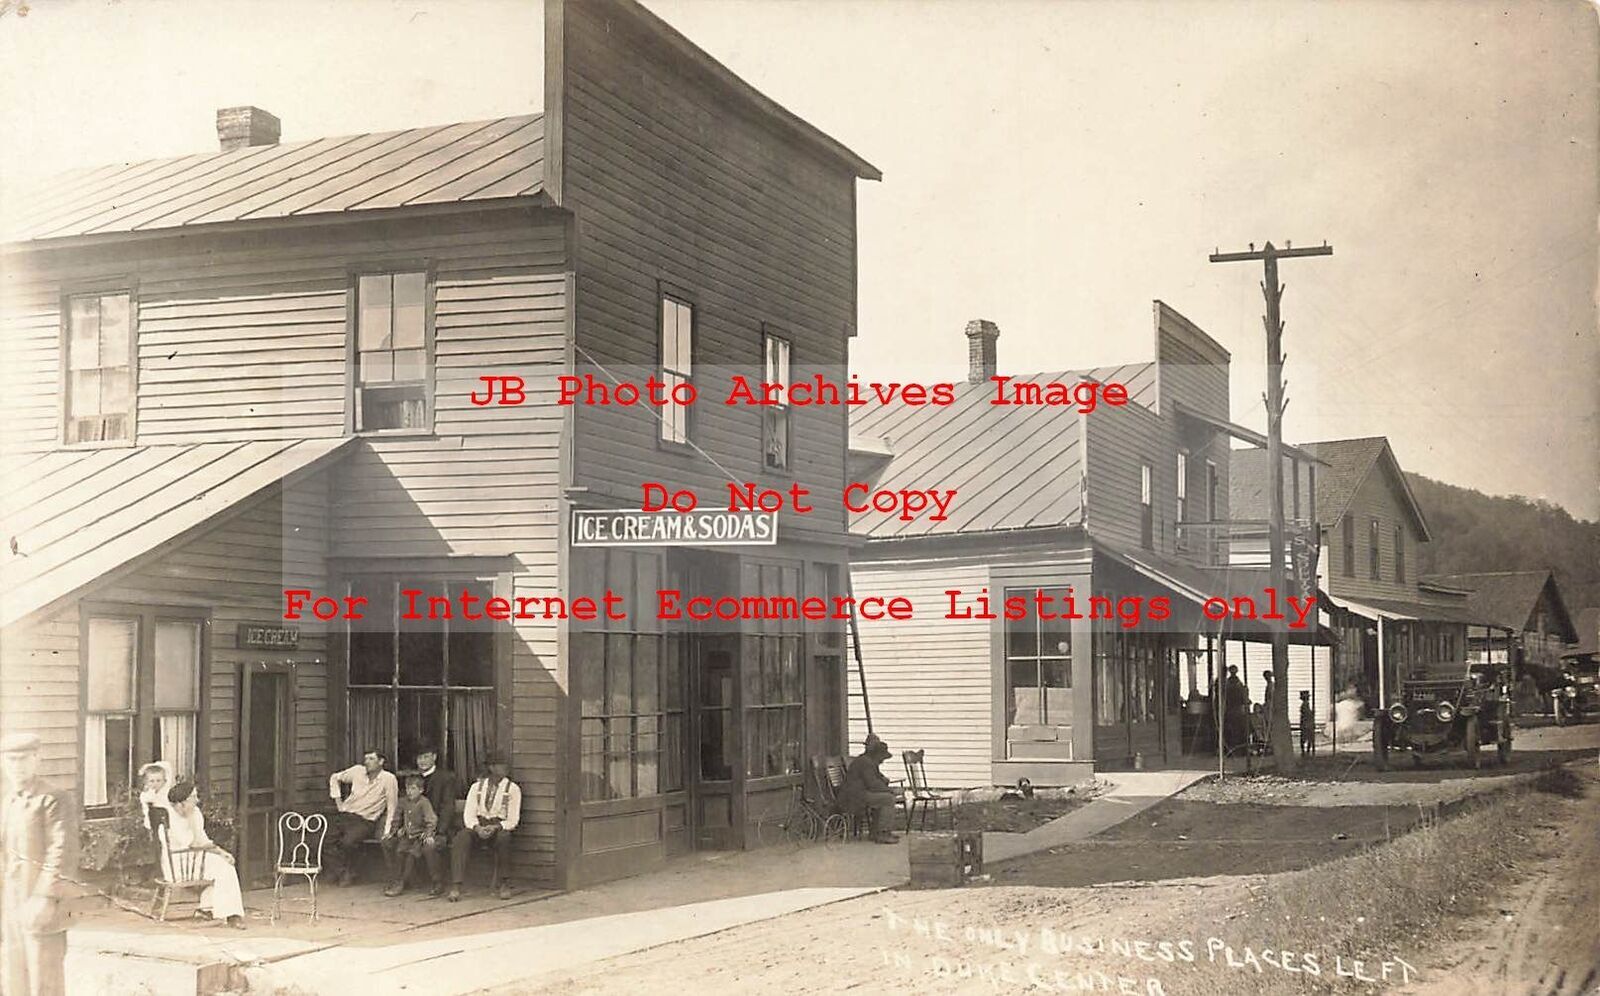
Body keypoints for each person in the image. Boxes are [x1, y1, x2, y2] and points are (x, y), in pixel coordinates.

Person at [2, 733, 74, 996]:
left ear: (37, 760)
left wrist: (45, 898)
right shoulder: (8, 801)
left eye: (23, 759)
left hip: (42, 903)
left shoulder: (53, 799)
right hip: (11, 903)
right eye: (11, 760)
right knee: (13, 978)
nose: (17, 766)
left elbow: (62, 852)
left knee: (44, 981)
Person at [161, 780, 246, 929]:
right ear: (181, 803)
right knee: (224, 867)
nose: (197, 800)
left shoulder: (195, 813)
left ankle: (209, 909)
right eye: (193, 797)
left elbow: (202, 839)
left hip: (194, 858)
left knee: (225, 866)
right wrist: (219, 851)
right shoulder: (170, 817)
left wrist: (222, 853)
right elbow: (192, 844)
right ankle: (226, 913)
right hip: (177, 862)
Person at [449, 753, 521, 902]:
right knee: (461, 838)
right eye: (500, 765)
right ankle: (456, 885)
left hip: (498, 827)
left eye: (505, 765)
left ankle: (504, 883)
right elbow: (469, 814)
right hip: (479, 827)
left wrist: (496, 827)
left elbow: (513, 819)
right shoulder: (477, 787)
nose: (504, 769)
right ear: (491, 768)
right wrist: (477, 828)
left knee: (504, 838)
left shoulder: (512, 789)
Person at [327, 749, 399, 886]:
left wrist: (387, 830)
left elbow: (392, 806)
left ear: (381, 761)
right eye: (366, 759)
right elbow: (334, 777)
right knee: (326, 840)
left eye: (371, 759)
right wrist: (339, 803)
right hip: (345, 815)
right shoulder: (357, 771)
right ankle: (342, 872)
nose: (367, 762)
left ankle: (349, 871)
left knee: (348, 842)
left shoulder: (389, 779)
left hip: (365, 821)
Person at [415, 747, 463, 898]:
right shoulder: (414, 779)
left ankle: (438, 882)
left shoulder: (445, 778)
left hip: (441, 828)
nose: (422, 761)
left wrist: (440, 831)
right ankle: (402, 881)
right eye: (419, 758)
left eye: (426, 756)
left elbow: (448, 807)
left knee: (430, 845)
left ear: (434, 757)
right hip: (417, 828)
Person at [838, 734, 899, 844]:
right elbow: (873, 784)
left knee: (882, 798)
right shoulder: (865, 762)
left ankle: (875, 832)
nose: (882, 761)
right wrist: (890, 790)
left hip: (860, 793)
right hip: (854, 797)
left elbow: (877, 779)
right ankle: (882, 833)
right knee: (888, 799)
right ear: (876, 754)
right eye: (882, 758)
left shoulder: (868, 761)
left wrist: (884, 781)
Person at [385, 775, 438, 897]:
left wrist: (429, 833)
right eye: (407, 789)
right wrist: (394, 831)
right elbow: (397, 818)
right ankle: (397, 879)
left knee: (411, 855)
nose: (409, 792)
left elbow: (431, 820)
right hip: (407, 835)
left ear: (421, 790)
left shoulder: (424, 803)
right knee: (399, 852)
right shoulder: (403, 802)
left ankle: (400, 883)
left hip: (419, 836)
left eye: (413, 789)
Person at [137, 760, 176, 839]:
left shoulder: (166, 790)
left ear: (164, 781)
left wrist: (147, 766)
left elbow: (167, 766)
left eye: (158, 781)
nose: (155, 783)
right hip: (154, 821)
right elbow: (146, 808)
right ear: (146, 782)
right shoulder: (146, 795)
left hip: (170, 820)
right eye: (151, 781)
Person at [1222, 666, 1249, 755]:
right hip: (1233, 709)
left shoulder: (1234, 683)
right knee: (1233, 729)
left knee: (1238, 729)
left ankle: (1238, 748)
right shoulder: (1230, 684)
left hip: (1235, 709)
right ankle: (1234, 748)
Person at [1299, 690, 1316, 756]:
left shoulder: (1306, 705)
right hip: (1306, 724)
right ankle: (1304, 751)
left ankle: (1306, 751)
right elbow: (1307, 714)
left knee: (1308, 738)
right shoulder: (1304, 705)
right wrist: (1312, 713)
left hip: (1307, 723)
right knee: (1306, 737)